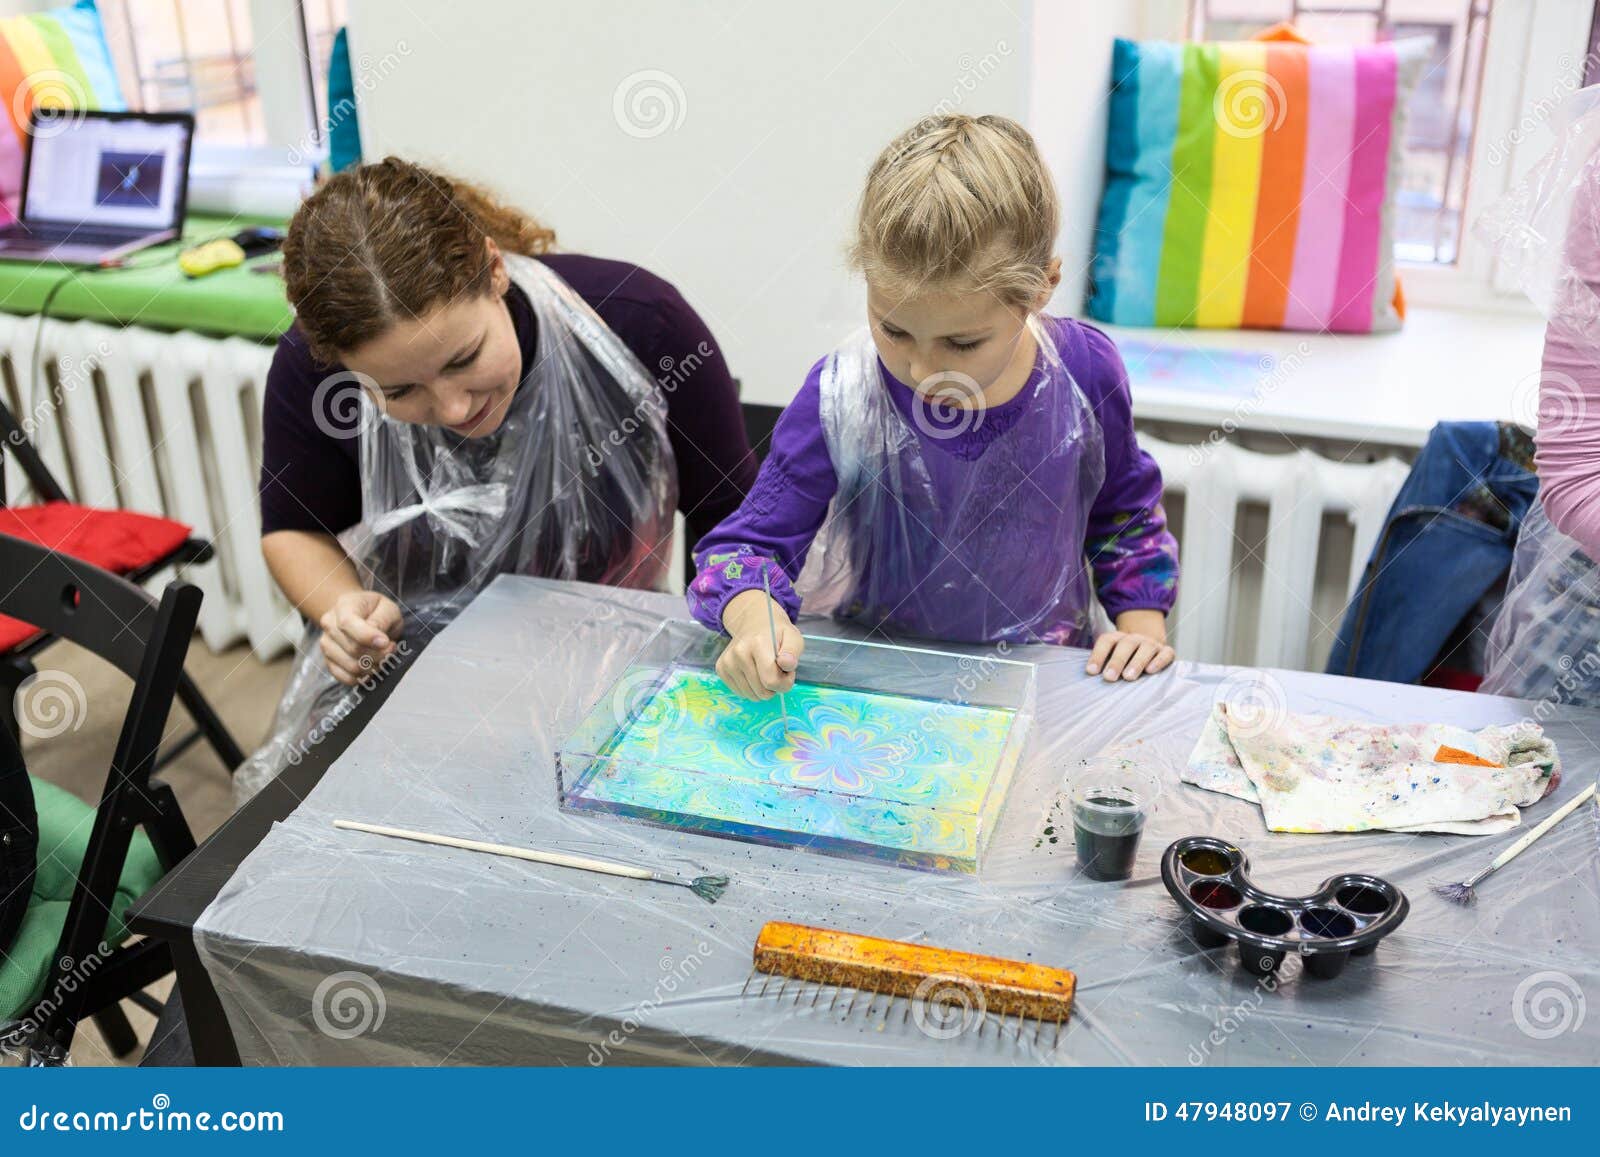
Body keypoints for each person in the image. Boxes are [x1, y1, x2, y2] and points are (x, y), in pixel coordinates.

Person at [240, 157, 754, 798]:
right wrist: (342, 607)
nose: (454, 410)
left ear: (493, 269)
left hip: (610, 686)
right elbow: (293, 528)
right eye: (400, 391)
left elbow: (732, 524)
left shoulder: (640, 325)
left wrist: (734, 638)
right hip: (417, 690)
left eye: (464, 358)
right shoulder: (314, 371)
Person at [686, 115, 1179, 701]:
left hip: (1040, 685)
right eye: (893, 330)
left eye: (962, 343)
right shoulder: (842, 394)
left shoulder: (1085, 371)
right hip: (879, 686)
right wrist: (752, 618)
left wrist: (1140, 627)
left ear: (1042, 287)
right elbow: (746, 549)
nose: (922, 371)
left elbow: (1124, 513)